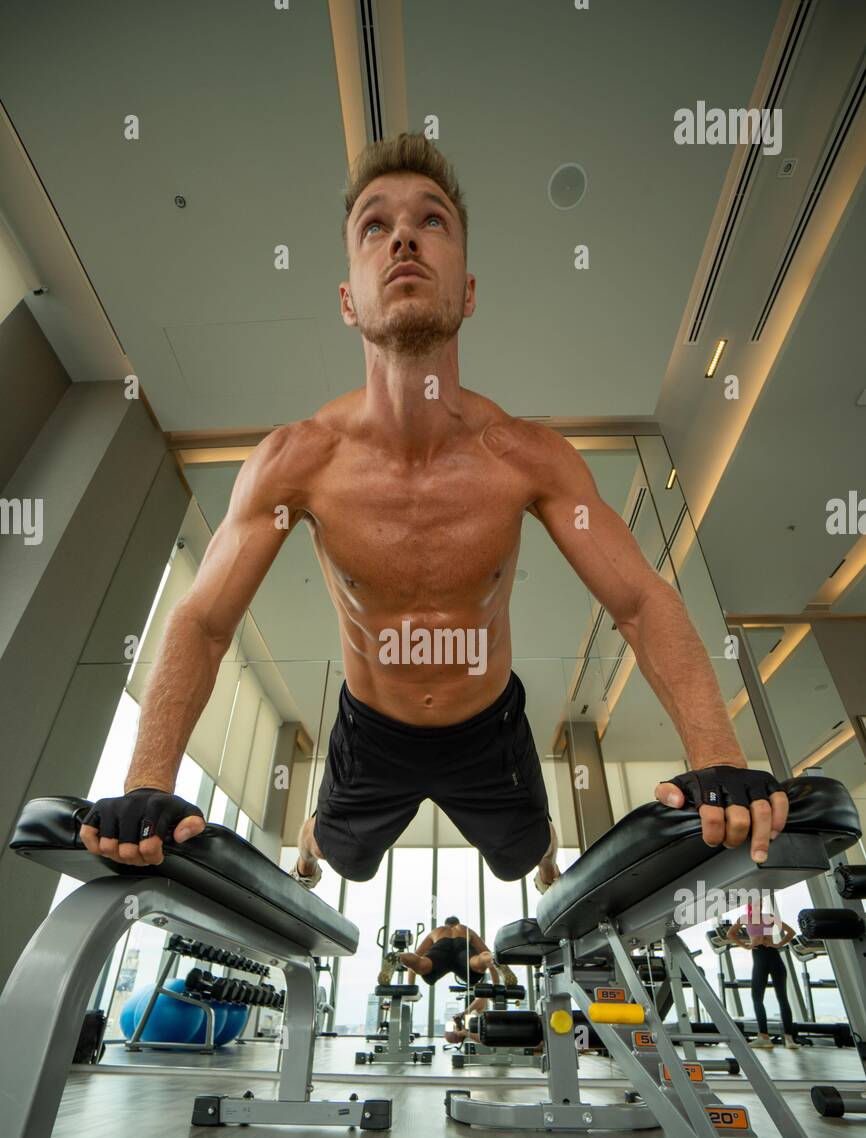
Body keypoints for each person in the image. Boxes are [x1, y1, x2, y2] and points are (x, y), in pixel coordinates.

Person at [78, 133, 789, 895]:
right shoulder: (296, 461)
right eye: (375, 226)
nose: (405, 236)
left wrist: (719, 759)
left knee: (520, 860)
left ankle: (542, 841)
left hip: (488, 733)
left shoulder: (527, 457)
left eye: (433, 220)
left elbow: (643, 603)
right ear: (348, 299)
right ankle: (316, 833)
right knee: (344, 861)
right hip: (369, 733)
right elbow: (204, 621)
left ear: (469, 291)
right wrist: (148, 781)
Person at [378, 914, 517, 1043]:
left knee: (421, 963)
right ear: (458, 923)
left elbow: (417, 955)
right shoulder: (465, 929)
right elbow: (484, 949)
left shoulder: (437, 931)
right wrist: (496, 984)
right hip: (462, 947)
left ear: (446, 924)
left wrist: (410, 986)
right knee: (478, 961)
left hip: (441, 947)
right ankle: (492, 958)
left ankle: (399, 957)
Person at [725, 900, 800, 1050]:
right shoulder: (747, 919)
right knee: (759, 997)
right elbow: (730, 934)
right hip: (765, 956)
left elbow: (791, 932)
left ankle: (787, 1039)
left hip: (767, 956)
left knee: (780, 997)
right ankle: (766, 1037)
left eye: (759, 901)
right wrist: (745, 945)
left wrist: (778, 944)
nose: (758, 904)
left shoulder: (767, 917)